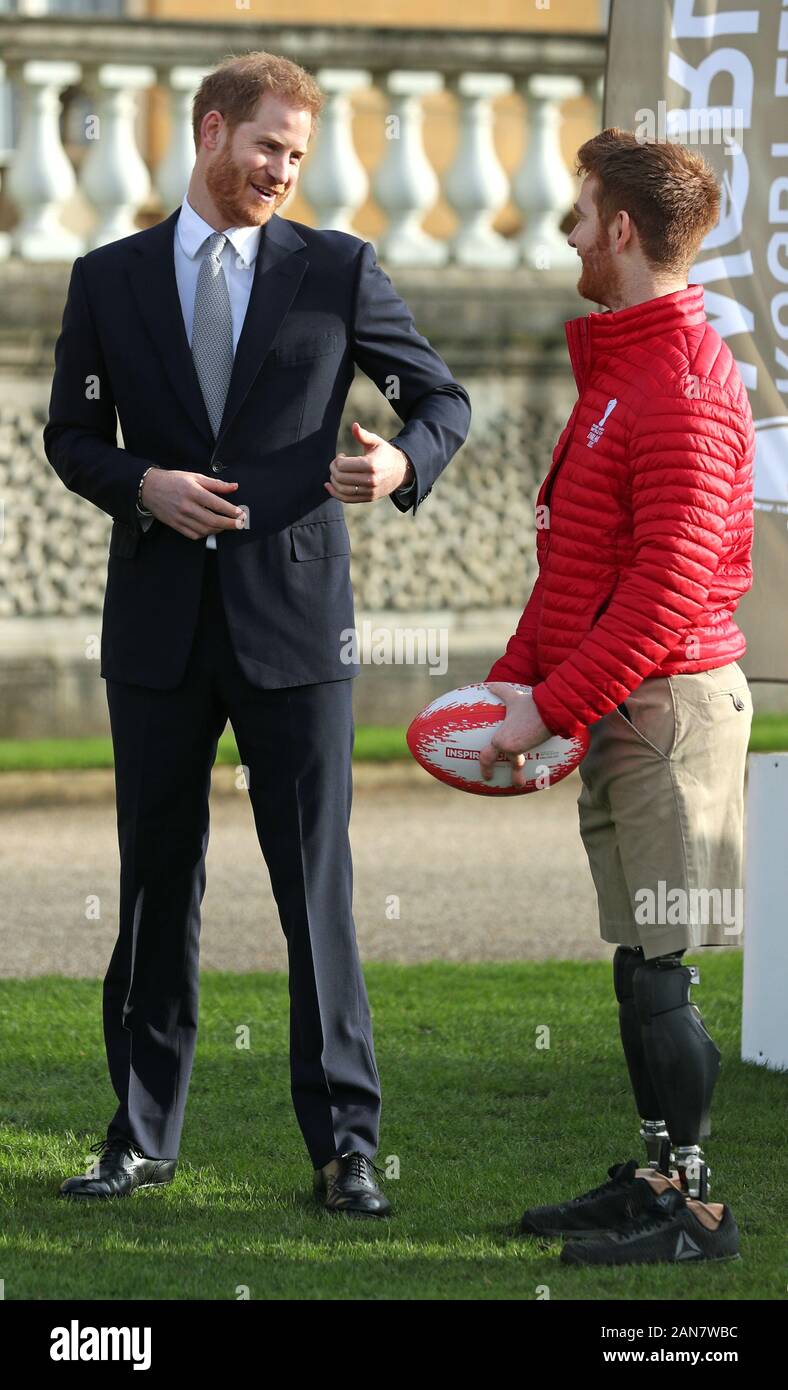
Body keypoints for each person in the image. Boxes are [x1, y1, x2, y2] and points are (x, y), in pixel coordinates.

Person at [44, 51, 471, 1217]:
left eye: (298, 153)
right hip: (157, 632)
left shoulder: (338, 272)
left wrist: (397, 460)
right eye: (268, 145)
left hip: (294, 628)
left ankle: (346, 1147)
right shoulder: (108, 277)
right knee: (152, 888)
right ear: (212, 128)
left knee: (315, 892)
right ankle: (139, 1137)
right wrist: (142, 483)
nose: (283, 169)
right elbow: (68, 437)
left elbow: (441, 400)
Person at [480, 129, 753, 1265]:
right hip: (631, 709)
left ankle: (693, 1212)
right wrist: (510, 683)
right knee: (639, 958)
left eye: (580, 210)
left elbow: (661, 592)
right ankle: (651, 1174)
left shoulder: (682, 380)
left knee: (661, 967)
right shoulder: (623, 372)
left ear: (623, 229)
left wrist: (552, 708)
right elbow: (580, 567)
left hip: (673, 709)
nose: (567, 230)